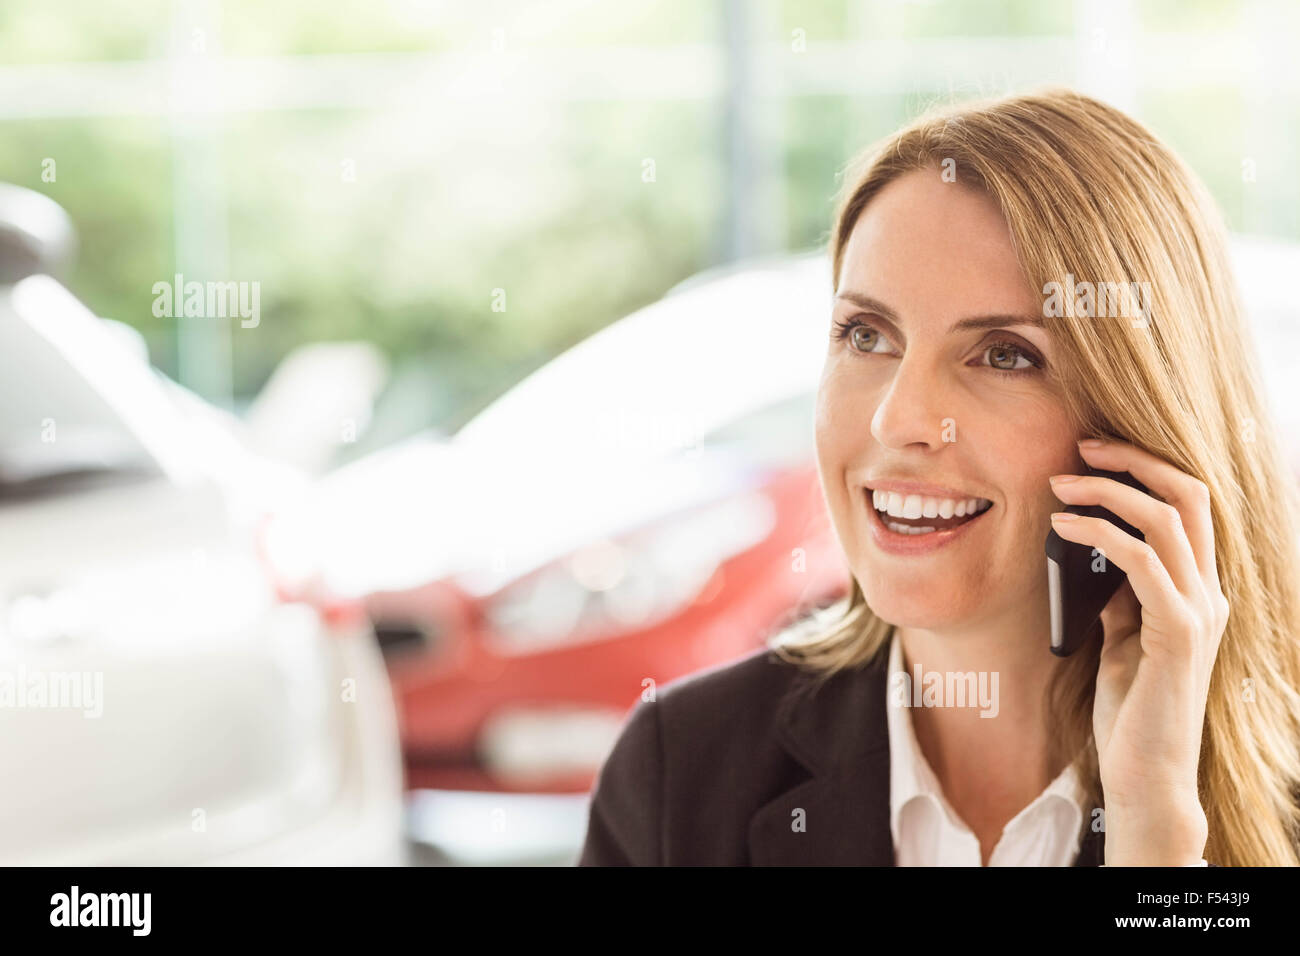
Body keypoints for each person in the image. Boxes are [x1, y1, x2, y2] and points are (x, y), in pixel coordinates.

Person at [577, 88, 1300, 866]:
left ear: (1138, 416)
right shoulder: (679, 772)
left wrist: (1155, 830)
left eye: (1005, 355)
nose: (899, 421)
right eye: (867, 334)